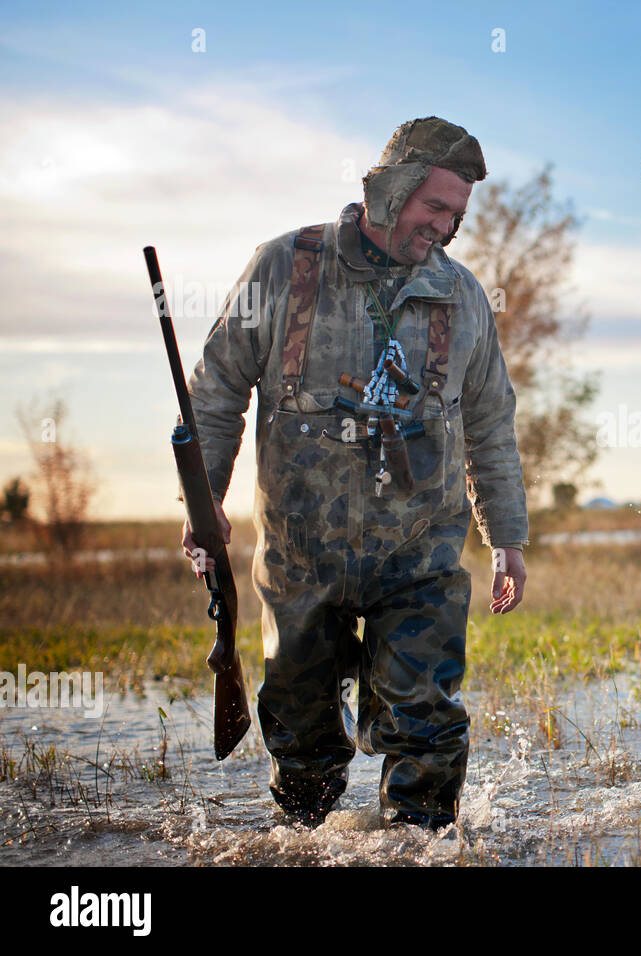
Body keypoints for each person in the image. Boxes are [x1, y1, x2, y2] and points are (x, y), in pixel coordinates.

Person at [180, 116, 529, 830]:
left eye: (458, 216)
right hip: (303, 556)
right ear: (391, 190)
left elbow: (490, 424)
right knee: (302, 746)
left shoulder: (463, 299)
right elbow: (215, 391)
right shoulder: (281, 266)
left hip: (421, 558)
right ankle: (308, 842)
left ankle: (414, 846)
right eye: (436, 207)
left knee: (429, 727)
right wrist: (202, 500)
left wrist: (506, 538)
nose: (446, 227)